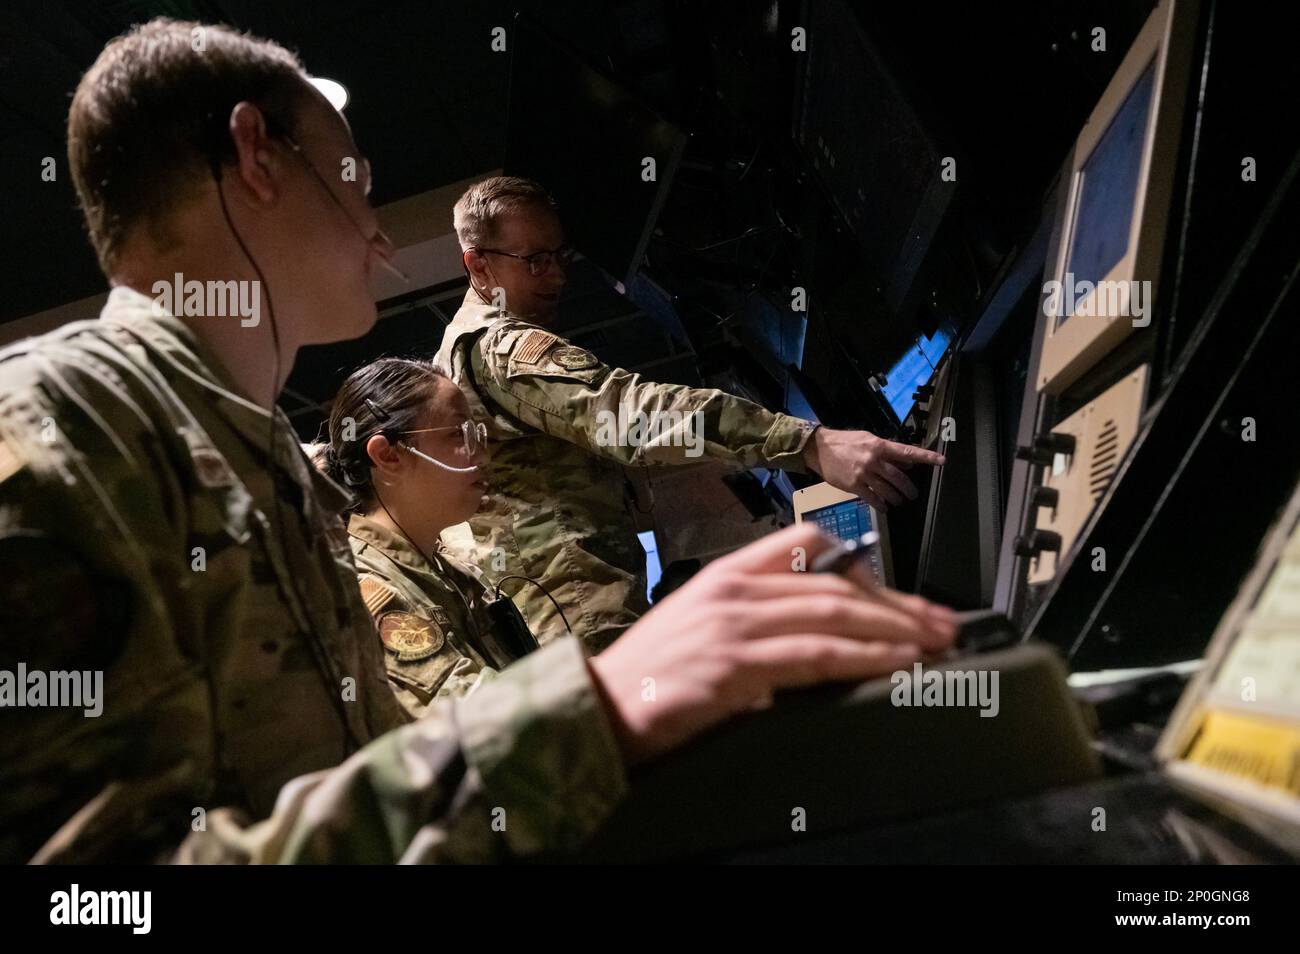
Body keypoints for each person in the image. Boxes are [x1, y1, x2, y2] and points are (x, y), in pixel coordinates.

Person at [0, 18, 956, 864]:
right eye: (356, 179)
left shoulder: (268, 469)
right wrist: (591, 712)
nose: (376, 229)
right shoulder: (56, 433)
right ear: (256, 155)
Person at [435, 176, 947, 650]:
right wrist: (808, 444)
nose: (557, 274)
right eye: (534, 260)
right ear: (477, 263)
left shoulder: (456, 350)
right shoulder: (501, 349)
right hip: (576, 619)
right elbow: (633, 417)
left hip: (552, 617)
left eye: (559, 254)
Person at [322, 357, 522, 713]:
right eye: (458, 434)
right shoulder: (363, 588)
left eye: (477, 435)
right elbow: (480, 718)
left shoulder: (458, 575)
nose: (482, 455)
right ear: (388, 456)